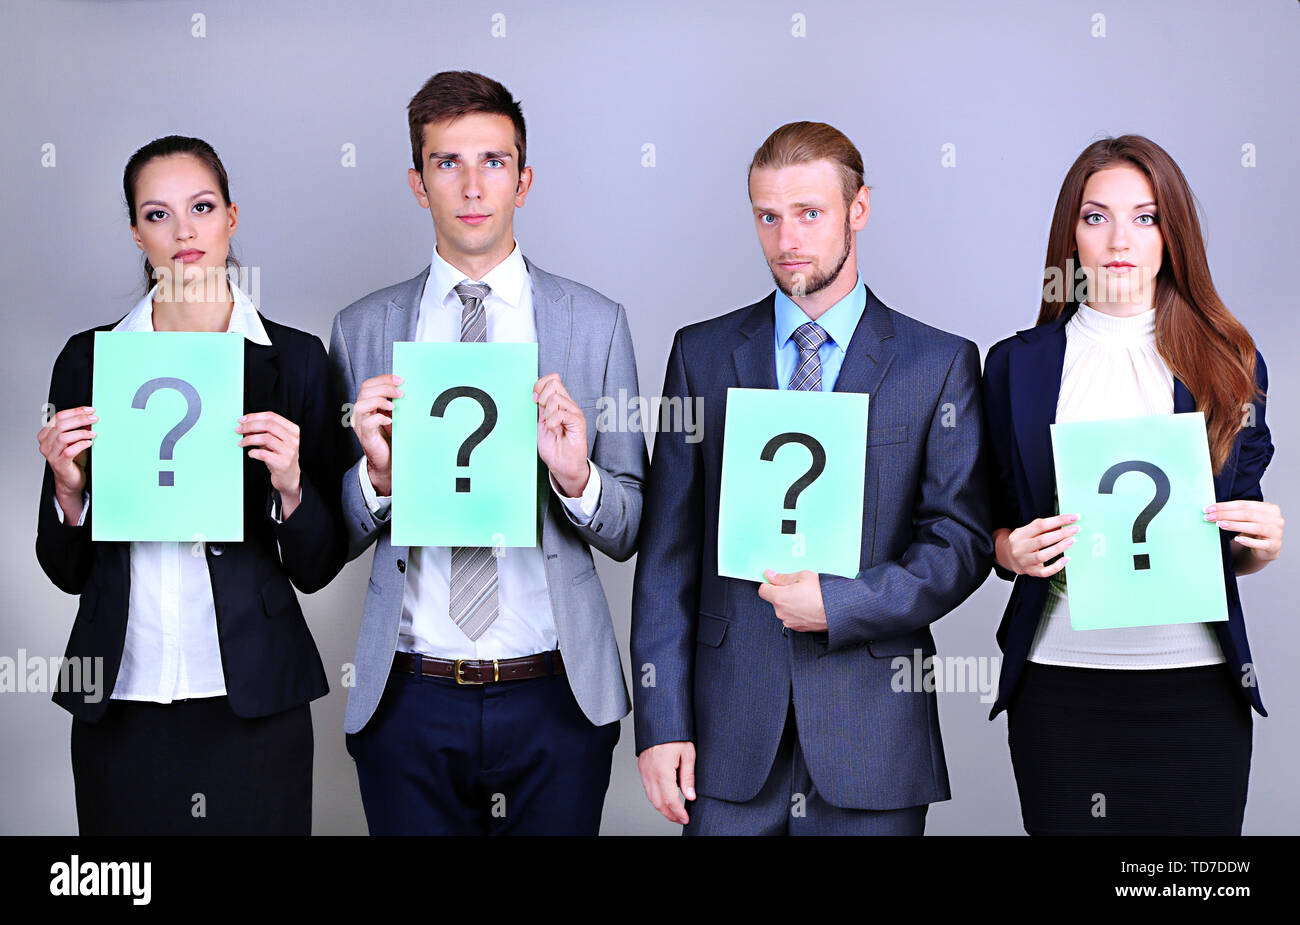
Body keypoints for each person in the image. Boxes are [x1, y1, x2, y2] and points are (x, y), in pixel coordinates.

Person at [630, 121, 993, 835]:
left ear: (859, 210)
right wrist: (660, 721)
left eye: (809, 213)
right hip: (727, 735)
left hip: (872, 734)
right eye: (768, 216)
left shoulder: (938, 363)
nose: (786, 237)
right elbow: (667, 555)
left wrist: (843, 602)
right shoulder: (700, 355)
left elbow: (960, 542)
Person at [329, 70, 647, 835]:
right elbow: (327, 538)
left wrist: (576, 478)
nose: (472, 185)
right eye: (447, 162)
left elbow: (632, 523)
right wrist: (375, 478)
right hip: (408, 698)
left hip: (556, 696)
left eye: (494, 161)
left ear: (524, 178)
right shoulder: (362, 328)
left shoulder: (595, 323)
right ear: (418, 182)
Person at [36, 135, 348, 835]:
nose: (183, 231)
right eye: (157, 214)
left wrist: (292, 485)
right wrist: (67, 487)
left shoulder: (294, 359)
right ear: (134, 231)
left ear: (231, 217)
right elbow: (63, 569)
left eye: (201, 207)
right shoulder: (89, 360)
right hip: (119, 697)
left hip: (254, 700)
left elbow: (320, 564)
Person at [982, 134, 1283, 835]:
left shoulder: (1231, 360)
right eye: (1096, 216)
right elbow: (983, 527)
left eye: (1145, 217)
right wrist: (1009, 549)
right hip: (1060, 687)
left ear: (1172, 233)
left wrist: (1260, 545)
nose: (1120, 238)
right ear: (1072, 233)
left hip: (1197, 688)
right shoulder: (1015, 367)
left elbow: (1234, 530)